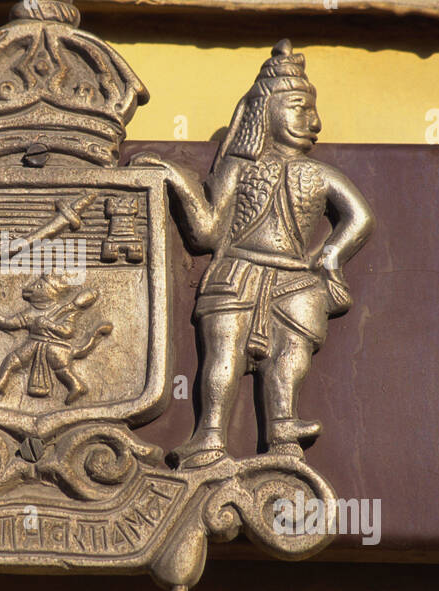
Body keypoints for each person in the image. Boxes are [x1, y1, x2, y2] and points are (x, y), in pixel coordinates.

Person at [134, 40, 374, 467]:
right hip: (238, 273)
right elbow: (207, 232)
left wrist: (329, 254)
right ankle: (210, 436)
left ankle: (283, 429)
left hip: (292, 279)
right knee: (222, 356)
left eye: (312, 110)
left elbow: (360, 217)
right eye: (299, 108)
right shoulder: (238, 168)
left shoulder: (319, 174)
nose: (314, 121)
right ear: (266, 111)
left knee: (289, 359)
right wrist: (175, 178)